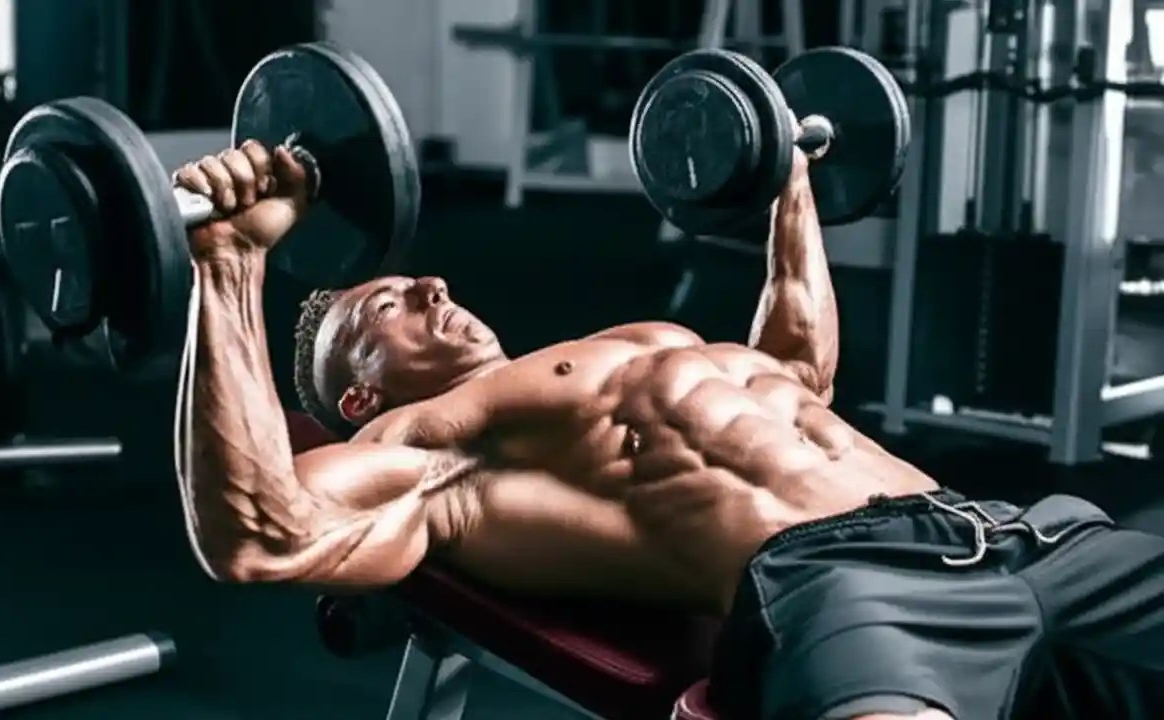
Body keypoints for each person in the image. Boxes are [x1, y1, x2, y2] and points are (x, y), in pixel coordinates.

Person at [170, 140, 1164, 720]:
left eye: (419, 278)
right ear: (359, 399)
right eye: (384, 306)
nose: (429, 282)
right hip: (856, 592)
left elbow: (793, 376)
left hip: (1026, 534)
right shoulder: (430, 447)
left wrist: (790, 188)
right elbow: (263, 533)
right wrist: (225, 266)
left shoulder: (635, 342)